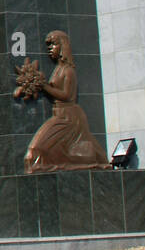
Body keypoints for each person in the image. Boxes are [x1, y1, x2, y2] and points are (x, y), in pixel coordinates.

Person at [23, 30, 110, 173]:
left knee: (37, 149)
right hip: (59, 114)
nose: (50, 49)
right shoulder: (58, 69)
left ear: (63, 46)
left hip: (68, 118)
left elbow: (67, 95)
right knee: (35, 152)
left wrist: (43, 86)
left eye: (53, 45)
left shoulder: (68, 71)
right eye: (48, 46)